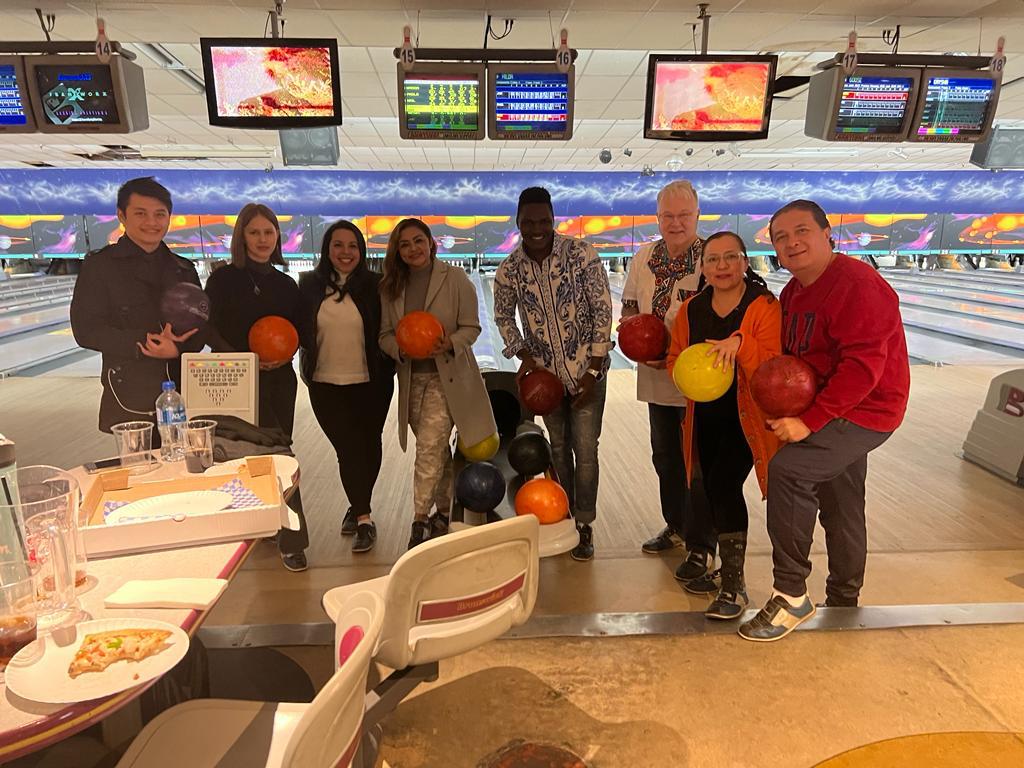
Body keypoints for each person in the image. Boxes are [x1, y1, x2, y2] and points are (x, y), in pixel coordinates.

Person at [739, 199, 910, 643]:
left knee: (790, 471)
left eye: (802, 231)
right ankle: (844, 602)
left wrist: (810, 421)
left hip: (868, 409)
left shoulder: (858, 285)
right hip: (832, 406)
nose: (791, 243)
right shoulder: (794, 293)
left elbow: (862, 370)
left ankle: (791, 594)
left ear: (827, 234)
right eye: (780, 237)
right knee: (842, 501)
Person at [493, 187, 613, 561]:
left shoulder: (581, 255)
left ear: (553, 219)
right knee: (558, 448)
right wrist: (524, 355)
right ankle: (564, 514)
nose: (537, 228)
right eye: (528, 222)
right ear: (518, 221)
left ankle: (584, 522)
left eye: (543, 220)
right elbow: (502, 316)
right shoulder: (509, 269)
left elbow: (602, 309)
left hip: (588, 371)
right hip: (545, 379)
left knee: (586, 450)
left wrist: (593, 368)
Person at [666, 232, 782, 619]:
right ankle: (724, 573)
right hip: (704, 417)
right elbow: (676, 359)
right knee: (710, 488)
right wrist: (684, 374)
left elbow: (773, 366)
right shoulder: (692, 309)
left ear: (745, 262)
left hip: (747, 418)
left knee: (723, 485)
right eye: (713, 259)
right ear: (702, 267)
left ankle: (735, 586)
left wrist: (741, 344)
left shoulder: (763, 306)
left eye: (731, 257)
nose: (722, 266)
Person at [620, 179, 717, 584]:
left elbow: (724, 315)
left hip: (700, 384)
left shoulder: (713, 257)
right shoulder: (643, 257)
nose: (676, 223)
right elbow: (629, 307)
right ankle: (676, 525)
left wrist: (678, 353)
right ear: (657, 218)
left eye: (684, 215)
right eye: (668, 216)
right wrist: (633, 338)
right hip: (656, 380)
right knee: (666, 459)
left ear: (697, 215)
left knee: (699, 466)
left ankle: (703, 545)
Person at [379, 218, 496, 550]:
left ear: (431, 243)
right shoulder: (391, 287)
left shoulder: (455, 278)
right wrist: (398, 348)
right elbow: (384, 334)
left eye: (418, 240)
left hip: (448, 378)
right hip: (412, 379)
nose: (413, 249)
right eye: (404, 244)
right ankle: (444, 513)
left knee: (428, 448)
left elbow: (472, 327)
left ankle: (419, 518)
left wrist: (450, 343)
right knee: (438, 450)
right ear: (397, 251)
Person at [204, 203, 309, 571]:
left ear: (277, 236)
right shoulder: (221, 280)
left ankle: (281, 530)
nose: (263, 239)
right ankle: (283, 535)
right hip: (235, 379)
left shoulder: (286, 284)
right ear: (242, 237)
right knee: (252, 455)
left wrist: (286, 354)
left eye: (269, 232)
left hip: (279, 379)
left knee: (278, 453)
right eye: (254, 232)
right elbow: (208, 328)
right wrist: (241, 359)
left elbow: (298, 332)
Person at [71, 177, 204, 435]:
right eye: (141, 213)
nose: (152, 222)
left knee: (185, 460)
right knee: (139, 461)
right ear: (122, 216)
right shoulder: (100, 267)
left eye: (159, 214)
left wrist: (177, 348)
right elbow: (86, 331)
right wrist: (144, 343)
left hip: (181, 391)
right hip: (129, 393)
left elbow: (201, 327)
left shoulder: (184, 268)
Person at [297, 220, 394, 555]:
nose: (345, 252)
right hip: (324, 383)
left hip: (372, 382)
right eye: (338, 245)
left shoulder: (376, 286)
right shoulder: (308, 285)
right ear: (327, 249)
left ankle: (358, 505)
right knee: (348, 448)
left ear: (361, 251)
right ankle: (364, 518)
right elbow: (296, 329)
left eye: (352, 245)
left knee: (369, 445)